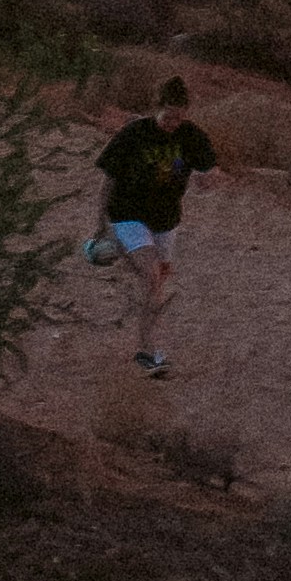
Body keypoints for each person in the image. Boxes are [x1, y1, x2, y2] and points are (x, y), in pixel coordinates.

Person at [91, 74, 216, 375]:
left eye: (179, 118)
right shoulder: (134, 134)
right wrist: (99, 223)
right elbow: (109, 179)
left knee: (156, 283)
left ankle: (124, 258)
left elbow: (208, 168)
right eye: (168, 117)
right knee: (150, 277)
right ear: (156, 108)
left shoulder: (191, 136)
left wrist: (207, 177)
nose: (173, 123)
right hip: (128, 214)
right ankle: (147, 353)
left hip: (165, 220)